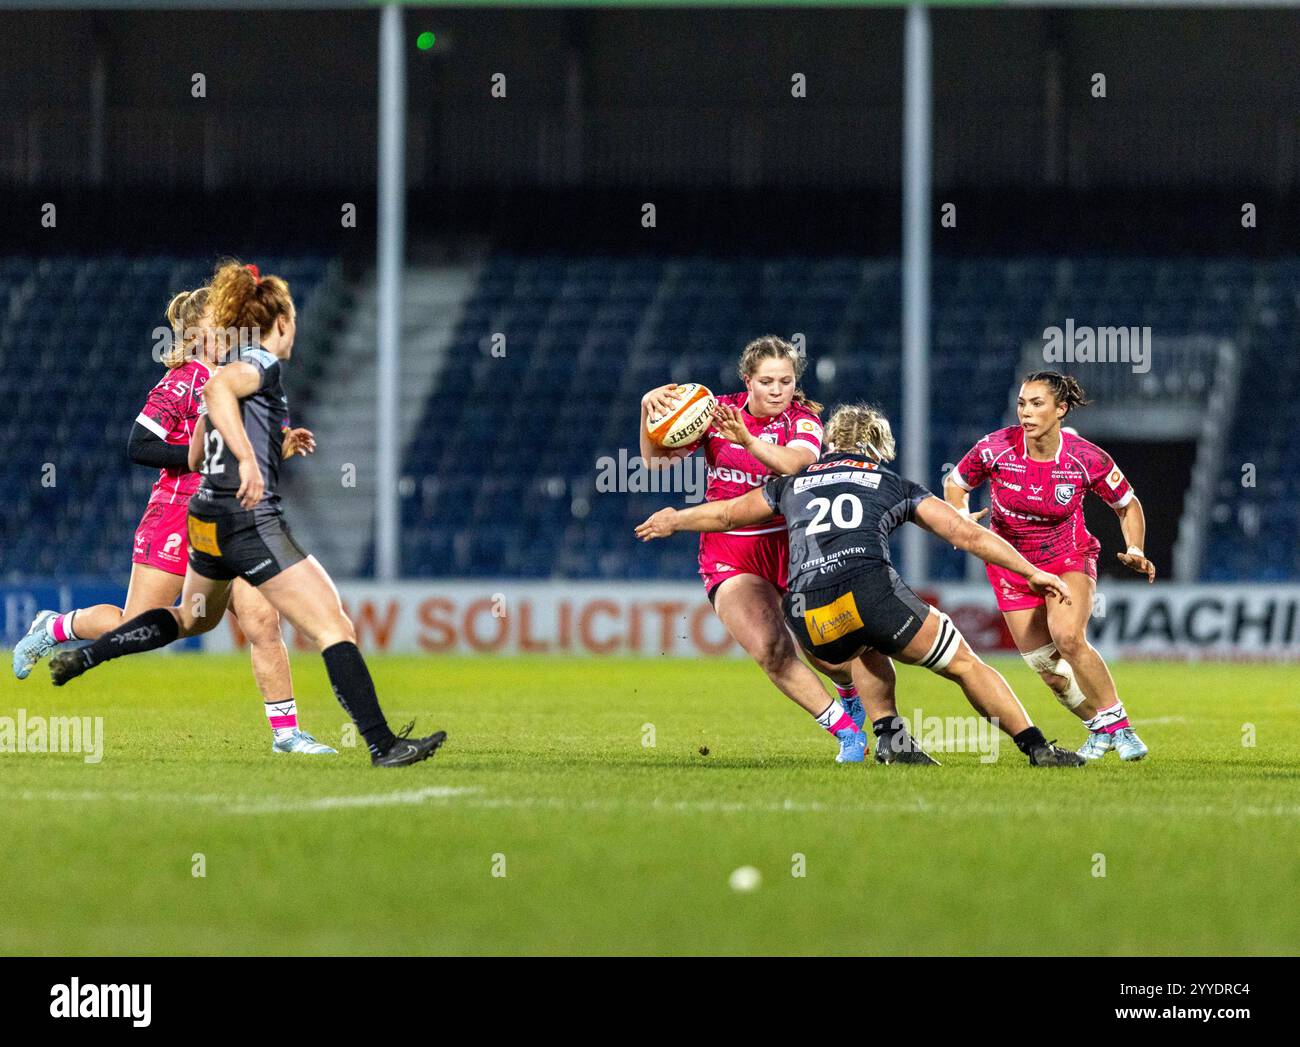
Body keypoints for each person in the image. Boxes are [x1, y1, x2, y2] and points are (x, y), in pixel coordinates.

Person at [48, 260, 446, 768]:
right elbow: (213, 399)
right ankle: (383, 745)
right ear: (280, 323)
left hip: (207, 517)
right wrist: (247, 463)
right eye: (293, 319)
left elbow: (200, 443)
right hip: (245, 520)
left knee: (195, 618)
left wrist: (268, 448)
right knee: (331, 626)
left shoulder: (230, 370)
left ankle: (89, 654)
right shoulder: (258, 363)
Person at [636, 403, 1086, 768]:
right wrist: (1033, 571)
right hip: (869, 591)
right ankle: (1037, 748)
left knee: (865, 648)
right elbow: (965, 534)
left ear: (830, 443)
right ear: (880, 448)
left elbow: (727, 515)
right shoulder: (891, 483)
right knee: (964, 664)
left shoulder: (790, 484)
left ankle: (890, 737)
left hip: (809, 616)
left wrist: (675, 518)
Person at [12, 285, 333, 754]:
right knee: (138, 625)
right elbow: (138, 445)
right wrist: (198, 456)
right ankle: (56, 628)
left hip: (230, 516)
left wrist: (280, 444)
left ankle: (286, 734)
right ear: (196, 333)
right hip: (175, 515)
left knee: (262, 618)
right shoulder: (183, 382)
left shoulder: (239, 378)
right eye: (219, 322)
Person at [639, 336, 933, 764]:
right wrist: (649, 410)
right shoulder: (713, 411)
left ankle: (848, 692)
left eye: (786, 381)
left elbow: (798, 466)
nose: (778, 391)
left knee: (833, 657)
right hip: (733, 551)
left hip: (798, 546)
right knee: (771, 648)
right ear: (748, 381)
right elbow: (655, 463)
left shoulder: (803, 420)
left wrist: (749, 440)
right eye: (767, 382)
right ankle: (848, 735)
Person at [944, 372, 1151, 761]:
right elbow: (956, 483)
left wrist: (1135, 547)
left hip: (1067, 556)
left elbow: (1127, 505)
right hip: (1011, 565)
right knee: (1048, 670)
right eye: (1022, 403)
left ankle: (1122, 730)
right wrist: (959, 514)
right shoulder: (995, 448)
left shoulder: (1086, 458)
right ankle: (1099, 729)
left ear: (1061, 409)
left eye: (1037, 403)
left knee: (1067, 637)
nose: (1026, 412)